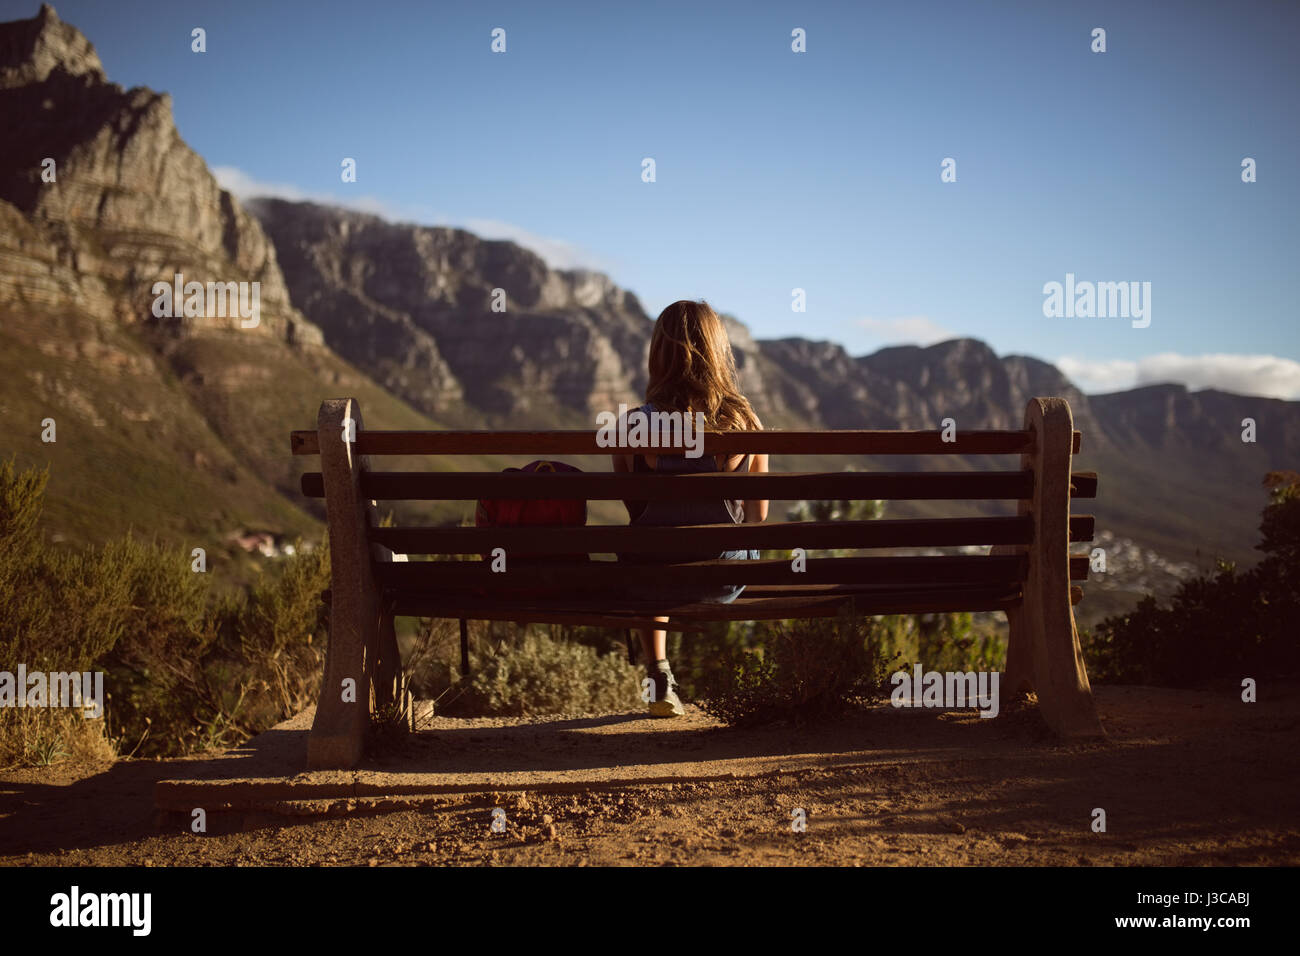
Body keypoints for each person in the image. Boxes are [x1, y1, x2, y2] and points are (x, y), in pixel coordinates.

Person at [611, 300, 769, 717]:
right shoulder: (743, 421)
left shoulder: (631, 426)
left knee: (645, 546)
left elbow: (635, 509)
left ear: (657, 354)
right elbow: (758, 518)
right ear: (718, 351)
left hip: (652, 579)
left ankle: (659, 676)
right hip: (722, 578)